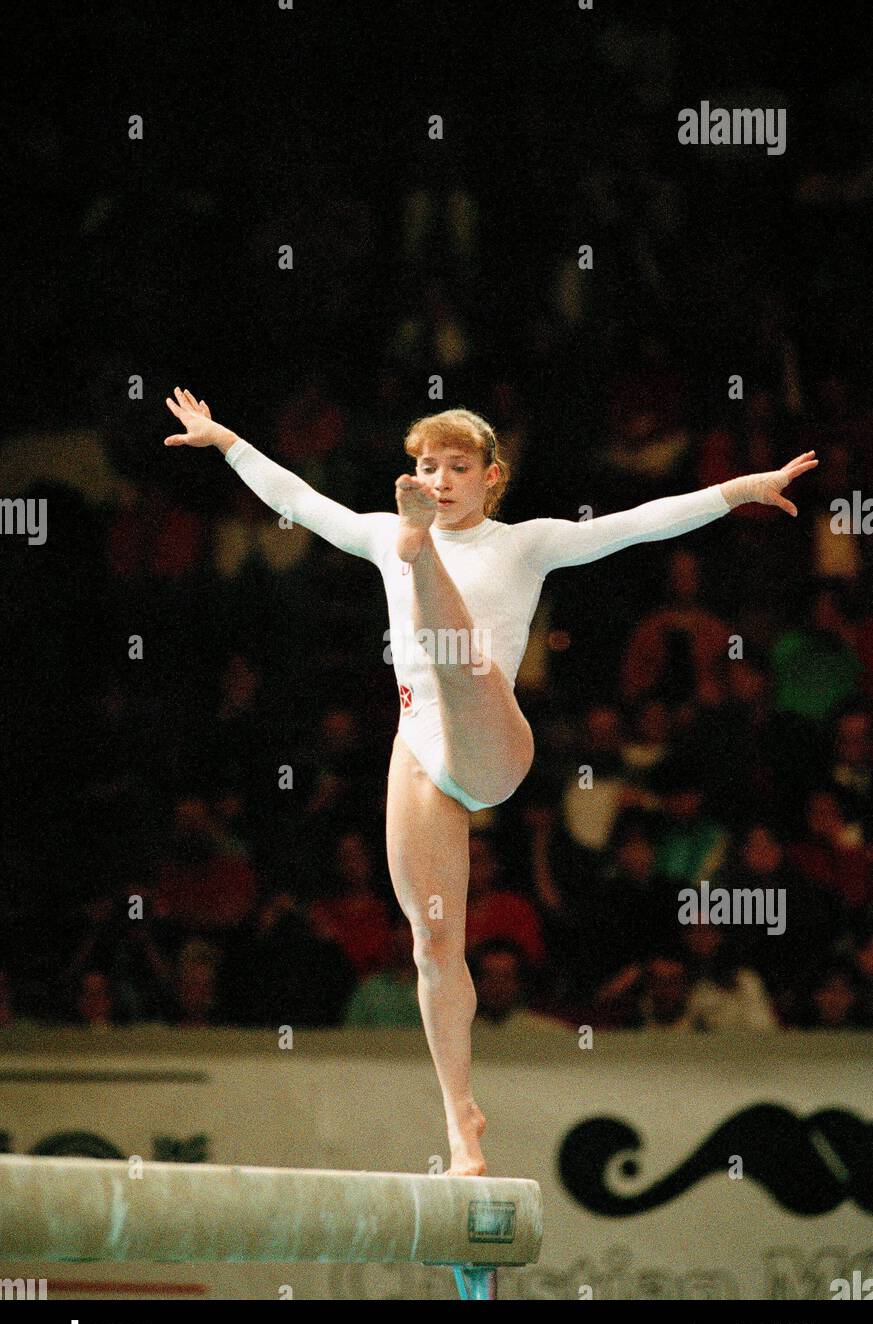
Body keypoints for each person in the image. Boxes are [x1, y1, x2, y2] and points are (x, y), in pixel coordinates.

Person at [164, 385, 817, 1173]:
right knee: (434, 944)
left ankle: (428, 569)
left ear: (491, 478)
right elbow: (297, 500)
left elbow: (639, 524)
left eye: (455, 466)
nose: (437, 479)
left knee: (461, 659)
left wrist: (740, 490)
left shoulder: (525, 545)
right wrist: (225, 437)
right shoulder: (379, 535)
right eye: (425, 466)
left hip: (489, 739)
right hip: (420, 754)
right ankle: (458, 1119)